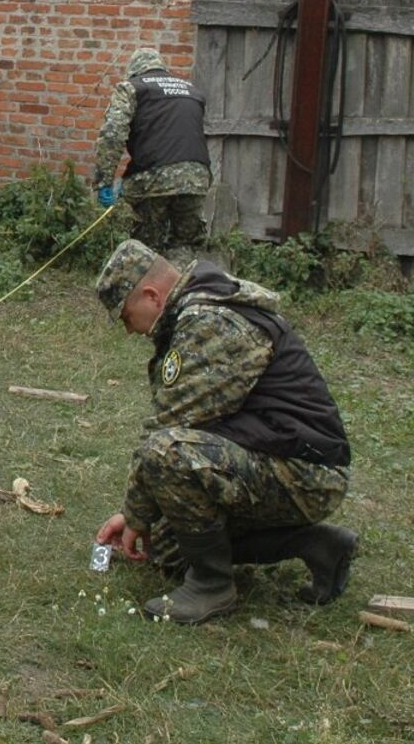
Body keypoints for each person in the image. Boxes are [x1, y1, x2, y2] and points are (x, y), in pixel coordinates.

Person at [90, 239, 356, 624]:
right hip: (271, 456)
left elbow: (171, 429)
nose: (130, 330)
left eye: (126, 317)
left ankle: (212, 585)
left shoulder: (211, 324)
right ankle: (315, 544)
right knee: (167, 549)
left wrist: (134, 514)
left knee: (165, 451)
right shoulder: (198, 311)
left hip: (307, 473)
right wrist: (137, 516)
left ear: (151, 295)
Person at [92, 48, 212, 262]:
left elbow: (112, 135)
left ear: (134, 70)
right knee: (184, 245)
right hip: (196, 176)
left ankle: (146, 280)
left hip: (152, 177)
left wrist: (104, 182)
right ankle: (180, 281)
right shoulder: (192, 92)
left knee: (146, 247)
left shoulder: (131, 88)